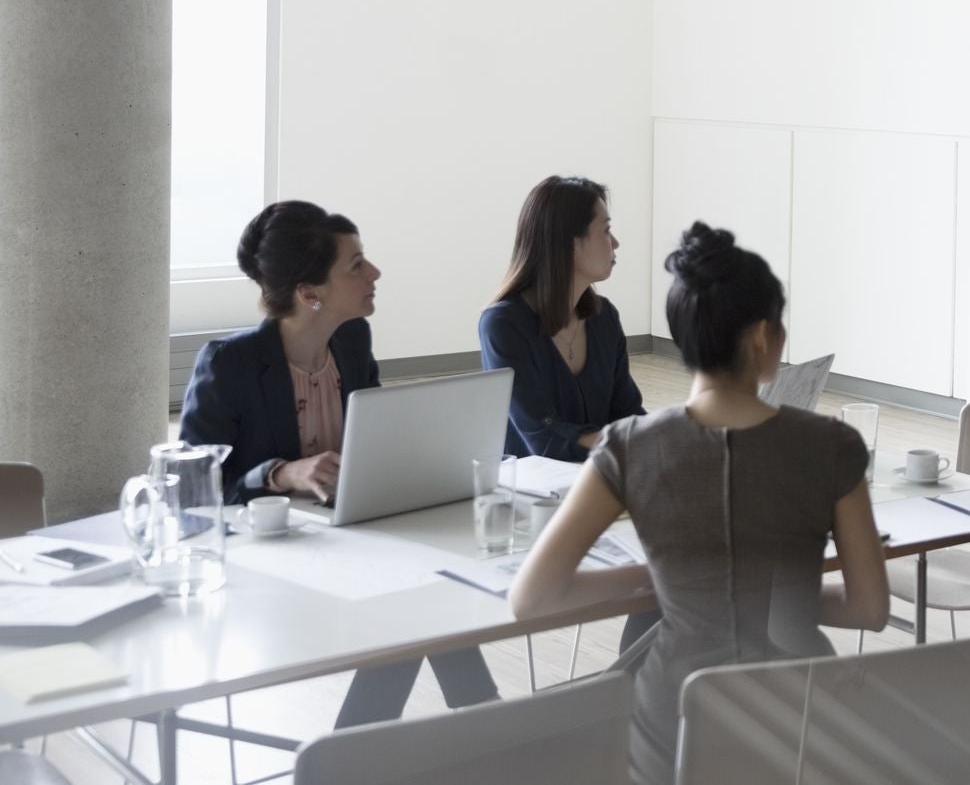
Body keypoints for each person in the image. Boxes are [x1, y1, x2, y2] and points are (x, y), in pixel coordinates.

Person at [510, 222, 888, 784]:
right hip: (801, 713)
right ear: (764, 337)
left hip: (674, 718)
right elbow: (869, 609)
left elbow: (533, 599)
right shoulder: (833, 446)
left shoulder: (629, 448)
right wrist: (771, 593)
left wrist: (663, 582)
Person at [179, 201, 498, 726]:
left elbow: (371, 438)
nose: (374, 273)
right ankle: (478, 722)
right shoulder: (229, 363)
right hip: (266, 557)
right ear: (309, 294)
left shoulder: (351, 339)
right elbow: (194, 486)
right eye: (356, 265)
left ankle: (375, 744)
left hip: (341, 541)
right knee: (420, 602)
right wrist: (282, 474)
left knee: (426, 592)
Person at [479, 176, 645, 460]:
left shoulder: (604, 317)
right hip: (533, 493)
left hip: (603, 477)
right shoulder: (503, 324)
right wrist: (627, 442)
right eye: (606, 231)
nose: (615, 243)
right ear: (570, 242)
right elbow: (542, 435)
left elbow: (627, 412)